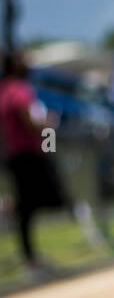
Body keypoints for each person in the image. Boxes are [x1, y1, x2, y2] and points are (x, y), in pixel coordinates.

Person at [0, 51, 68, 273]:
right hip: (29, 155)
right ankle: (14, 207)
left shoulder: (6, 90)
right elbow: (31, 123)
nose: (28, 63)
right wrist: (48, 124)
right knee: (54, 197)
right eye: (22, 59)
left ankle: (30, 256)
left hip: (18, 155)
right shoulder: (19, 91)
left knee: (29, 207)